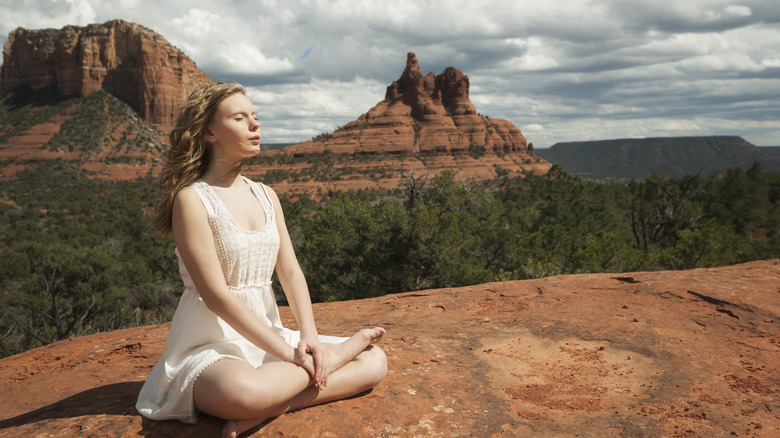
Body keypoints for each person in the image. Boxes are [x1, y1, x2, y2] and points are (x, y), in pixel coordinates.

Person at [136, 81, 387, 438]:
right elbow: (216, 296)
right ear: (209, 132)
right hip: (210, 342)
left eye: (255, 116)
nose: (255, 125)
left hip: (268, 332)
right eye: (240, 118)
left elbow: (289, 270)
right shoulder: (192, 200)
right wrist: (287, 354)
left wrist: (310, 338)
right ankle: (335, 361)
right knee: (243, 393)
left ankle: (280, 404)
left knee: (376, 361)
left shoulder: (266, 194)